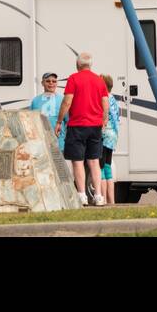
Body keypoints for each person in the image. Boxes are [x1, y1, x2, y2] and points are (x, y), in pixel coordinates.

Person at [55, 52, 109, 207]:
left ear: (77, 65)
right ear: (90, 65)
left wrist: (59, 121)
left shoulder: (73, 79)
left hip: (77, 125)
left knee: (77, 161)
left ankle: (82, 195)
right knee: (94, 161)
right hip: (95, 126)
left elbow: (67, 101)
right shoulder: (99, 81)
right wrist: (103, 120)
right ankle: (98, 196)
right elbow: (105, 103)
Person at [30, 72, 67, 152]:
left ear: (57, 83)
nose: (51, 83)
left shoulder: (63, 100)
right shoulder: (35, 100)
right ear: (42, 83)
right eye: (48, 81)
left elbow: (68, 121)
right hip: (40, 144)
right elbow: (30, 121)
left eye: (54, 81)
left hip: (58, 143)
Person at [97, 75, 120, 205]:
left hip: (104, 134)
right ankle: (112, 201)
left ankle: (104, 199)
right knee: (107, 167)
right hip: (113, 136)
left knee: (100, 168)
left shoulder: (103, 99)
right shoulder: (114, 100)